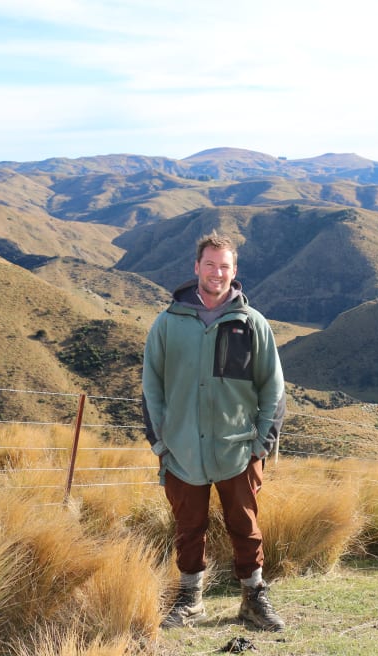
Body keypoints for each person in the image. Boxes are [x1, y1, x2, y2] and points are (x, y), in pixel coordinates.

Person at [141, 230, 287, 631]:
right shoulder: (168, 323)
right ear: (196, 268)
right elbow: (151, 386)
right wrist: (160, 443)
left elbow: (272, 387)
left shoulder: (251, 323)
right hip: (182, 450)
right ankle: (190, 601)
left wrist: (261, 444)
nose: (217, 273)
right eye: (210, 265)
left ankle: (253, 601)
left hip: (238, 450)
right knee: (189, 529)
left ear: (234, 271)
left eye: (224, 266)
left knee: (245, 526)